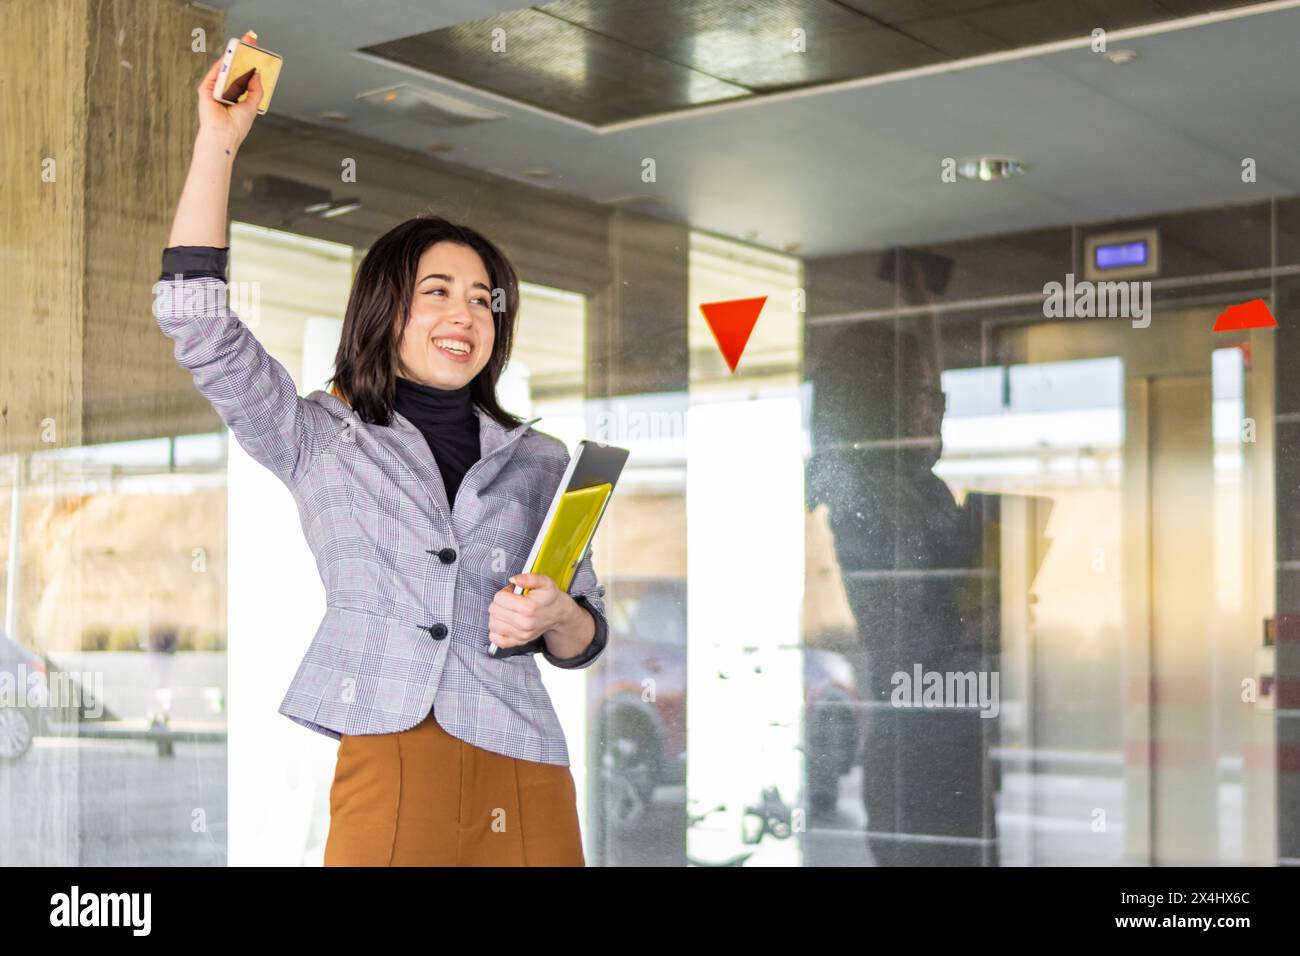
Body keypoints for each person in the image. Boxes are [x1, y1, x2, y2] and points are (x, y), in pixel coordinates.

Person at [154, 32, 608, 866]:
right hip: (393, 749)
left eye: (482, 299)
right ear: (386, 309)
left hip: (527, 759)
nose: (464, 315)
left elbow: (583, 635)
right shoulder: (317, 436)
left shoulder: (541, 462)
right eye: (437, 292)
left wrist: (559, 615)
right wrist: (217, 144)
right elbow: (198, 322)